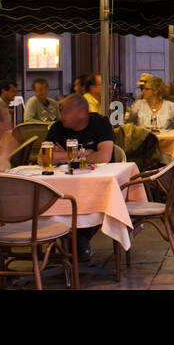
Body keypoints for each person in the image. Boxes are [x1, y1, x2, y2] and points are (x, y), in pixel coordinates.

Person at [45, 94, 116, 261]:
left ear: (82, 113)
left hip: (95, 186)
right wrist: (82, 153)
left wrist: (62, 155)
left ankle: (76, 240)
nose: (61, 115)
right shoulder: (57, 127)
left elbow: (104, 156)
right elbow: (44, 159)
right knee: (52, 198)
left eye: (65, 111)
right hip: (63, 187)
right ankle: (75, 241)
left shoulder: (100, 123)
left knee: (101, 202)